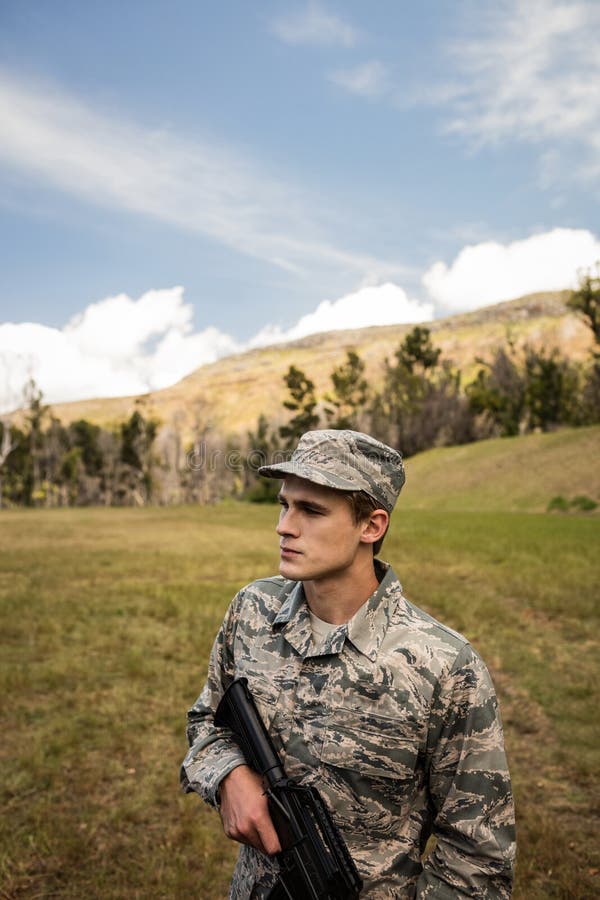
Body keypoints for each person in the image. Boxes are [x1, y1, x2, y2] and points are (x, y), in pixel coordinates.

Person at [181, 429, 516, 898]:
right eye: (285, 505)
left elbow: (478, 856)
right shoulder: (251, 611)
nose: (284, 526)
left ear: (371, 526)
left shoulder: (443, 666)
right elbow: (206, 722)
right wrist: (229, 776)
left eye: (312, 511)